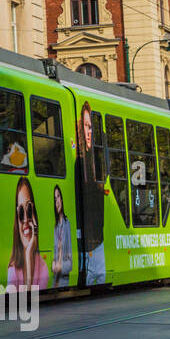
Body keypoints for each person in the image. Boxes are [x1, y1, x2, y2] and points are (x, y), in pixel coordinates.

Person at [77, 102, 107, 286]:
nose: (89, 132)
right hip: (89, 245)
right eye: (86, 127)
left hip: (99, 243)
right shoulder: (79, 162)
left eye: (91, 127)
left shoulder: (98, 161)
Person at [7, 176, 48, 289]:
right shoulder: (13, 270)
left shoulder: (43, 268)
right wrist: (28, 254)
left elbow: (30, 299)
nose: (25, 219)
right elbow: (25, 299)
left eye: (29, 209)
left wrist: (29, 254)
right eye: (20, 211)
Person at [50, 184, 72, 288]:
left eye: (58, 197)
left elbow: (70, 262)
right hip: (55, 278)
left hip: (64, 278)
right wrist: (53, 264)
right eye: (54, 199)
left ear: (62, 200)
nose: (57, 202)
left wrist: (61, 267)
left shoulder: (67, 224)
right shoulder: (55, 226)